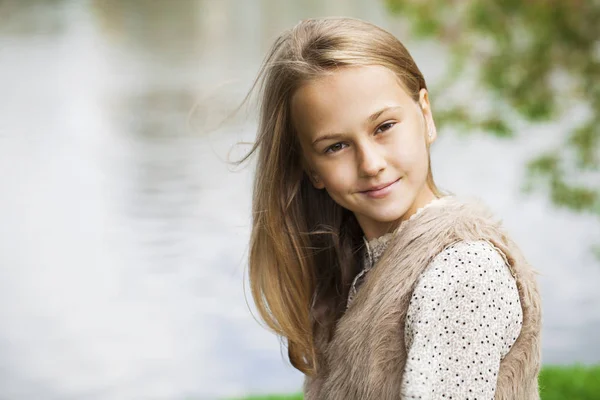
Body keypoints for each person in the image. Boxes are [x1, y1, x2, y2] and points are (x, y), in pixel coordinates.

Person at [238, 17, 542, 399]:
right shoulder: (358, 273)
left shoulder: (463, 272)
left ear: (425, 115)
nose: (370, 163)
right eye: (336, 146)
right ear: (311, 170)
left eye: (384, 126)